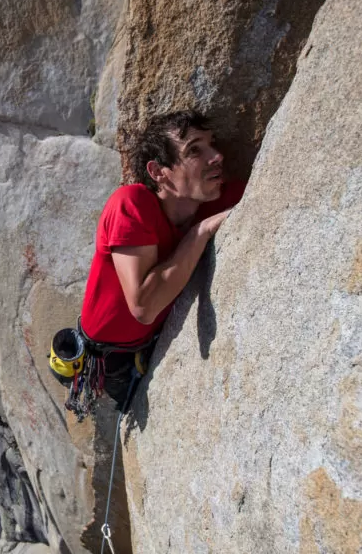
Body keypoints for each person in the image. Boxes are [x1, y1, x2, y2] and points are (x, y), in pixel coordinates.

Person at [79, 110, 247, 410]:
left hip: (151, 342)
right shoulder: (131, 205)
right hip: (110, 360)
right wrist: (200, 233)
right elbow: (144, 306)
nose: (217, 156)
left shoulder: (220, 198)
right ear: (158, 172)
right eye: (195, 150)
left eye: (212, 144)